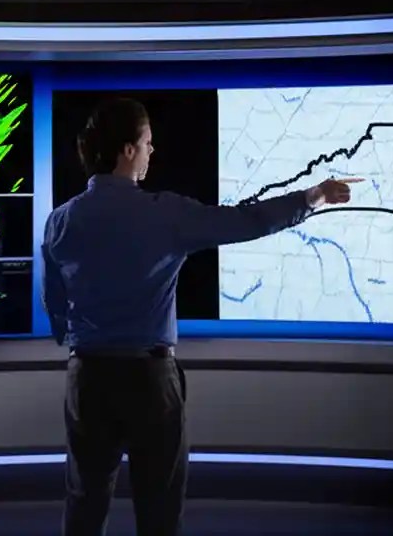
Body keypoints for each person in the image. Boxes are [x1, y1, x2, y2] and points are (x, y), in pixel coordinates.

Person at [41, 97, 360, 536]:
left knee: (84, 505)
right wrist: (313, 197)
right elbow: (246, 221)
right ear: (128, 150)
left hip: (87, 378)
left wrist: (80, 338)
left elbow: (55, 307)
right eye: (147, 142)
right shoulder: (165, 214)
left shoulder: (59, 221)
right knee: (159, 510)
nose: (152, 151)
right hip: (149, 382)